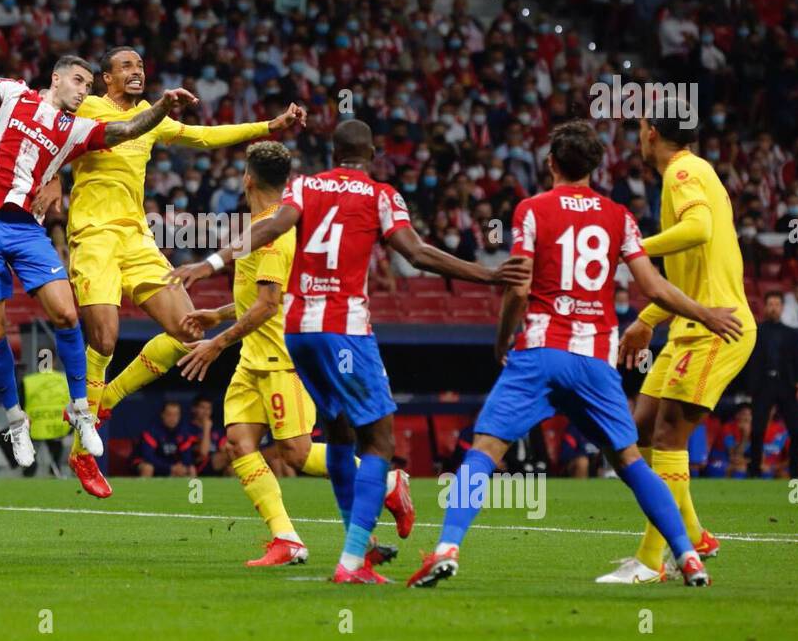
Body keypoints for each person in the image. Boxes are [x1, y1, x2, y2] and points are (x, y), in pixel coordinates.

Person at [170, 119, 528, 583]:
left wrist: (209, 262)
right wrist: (487, 274)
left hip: (299, 334)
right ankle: (354, 557)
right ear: (374, 153)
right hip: (345, 331)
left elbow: (270, 229)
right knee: (379, 442)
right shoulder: (380, 195)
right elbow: (417, 254)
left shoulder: (303, 188)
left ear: (331, 151)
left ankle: (341, 552)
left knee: (333, 438)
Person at [407, 120, 743, 588]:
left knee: (484, 451)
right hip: (595, 359)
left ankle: (446, 548)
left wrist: (503, 339)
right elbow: (653, 286)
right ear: (596, 166)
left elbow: (520, 288)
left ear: (550, 163)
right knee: (630, 461)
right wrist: (704, 313)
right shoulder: (619, 216)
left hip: (542, 349)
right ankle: (688, 557)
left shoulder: (531, 209)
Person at [30, 46, 304, 500]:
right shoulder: (87, 106)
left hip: (138, 239)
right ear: (105, 77)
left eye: (140, 64)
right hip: (93, 237)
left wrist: (268, 126)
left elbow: (203, 136)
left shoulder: (149, 116)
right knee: (104, 337)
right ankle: (84, 451)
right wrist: (54, 175)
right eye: (126, 66)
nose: (137, 71)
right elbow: (49, 121)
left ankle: (103, 404)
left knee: (188, 330)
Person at [0, 47, 199, 468]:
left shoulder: (77, 129)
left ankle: (82, 412)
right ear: (57, 79)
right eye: (79, 82)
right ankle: (15, 420)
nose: (85, 91)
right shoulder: (15, 94)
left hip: (28, 230)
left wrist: (162, 107)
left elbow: (128, 129)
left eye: (88, 84)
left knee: (66, 314)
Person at [178, 140, 414, 566]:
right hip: (253, 356)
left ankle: (389, 481)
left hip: (281, 358)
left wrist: (218, 342)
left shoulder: (274, 233)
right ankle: (286, 538)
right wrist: (219, 313)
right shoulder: (266, 225)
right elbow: (267, 296)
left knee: (297, 454)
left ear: (247, 178)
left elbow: (269, 305)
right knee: (239, 442)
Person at [611, 101, 757, 582]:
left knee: (670, 435)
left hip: (714, 326)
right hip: (689, 324)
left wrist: (631, 248)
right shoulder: (693, 171)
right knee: (643, 426)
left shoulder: (683, 173)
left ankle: (652, 561)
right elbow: (691, 267)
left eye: (640, 128)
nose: (637, 136)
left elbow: (699, 229)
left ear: (652, 133)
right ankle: (692, 534)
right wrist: (648, 318)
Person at [748, 292, 798, 477]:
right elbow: (749, 362)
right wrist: (751, 388)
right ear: (765, 307)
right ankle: (755, 469)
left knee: (796, 430)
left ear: (782, 307)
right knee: (757, 429)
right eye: (770, 304)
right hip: (763, 384)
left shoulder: (791, 334)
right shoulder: (756, 332)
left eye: (777, 304)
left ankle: (795, 472)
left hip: (786, 384)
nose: (773, 307)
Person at [134, 401, 198, 478]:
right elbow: (149, 457)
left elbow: (187, 456)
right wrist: (170, 467)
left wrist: (180, 466)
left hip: (170, 465)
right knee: (148, 468)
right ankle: (143, 490)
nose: (172, 418)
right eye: (169, 415)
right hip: (147, 463)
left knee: (191, 468)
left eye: (176, 415)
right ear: (163, 415)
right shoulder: (152, 431)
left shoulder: (183, 432)